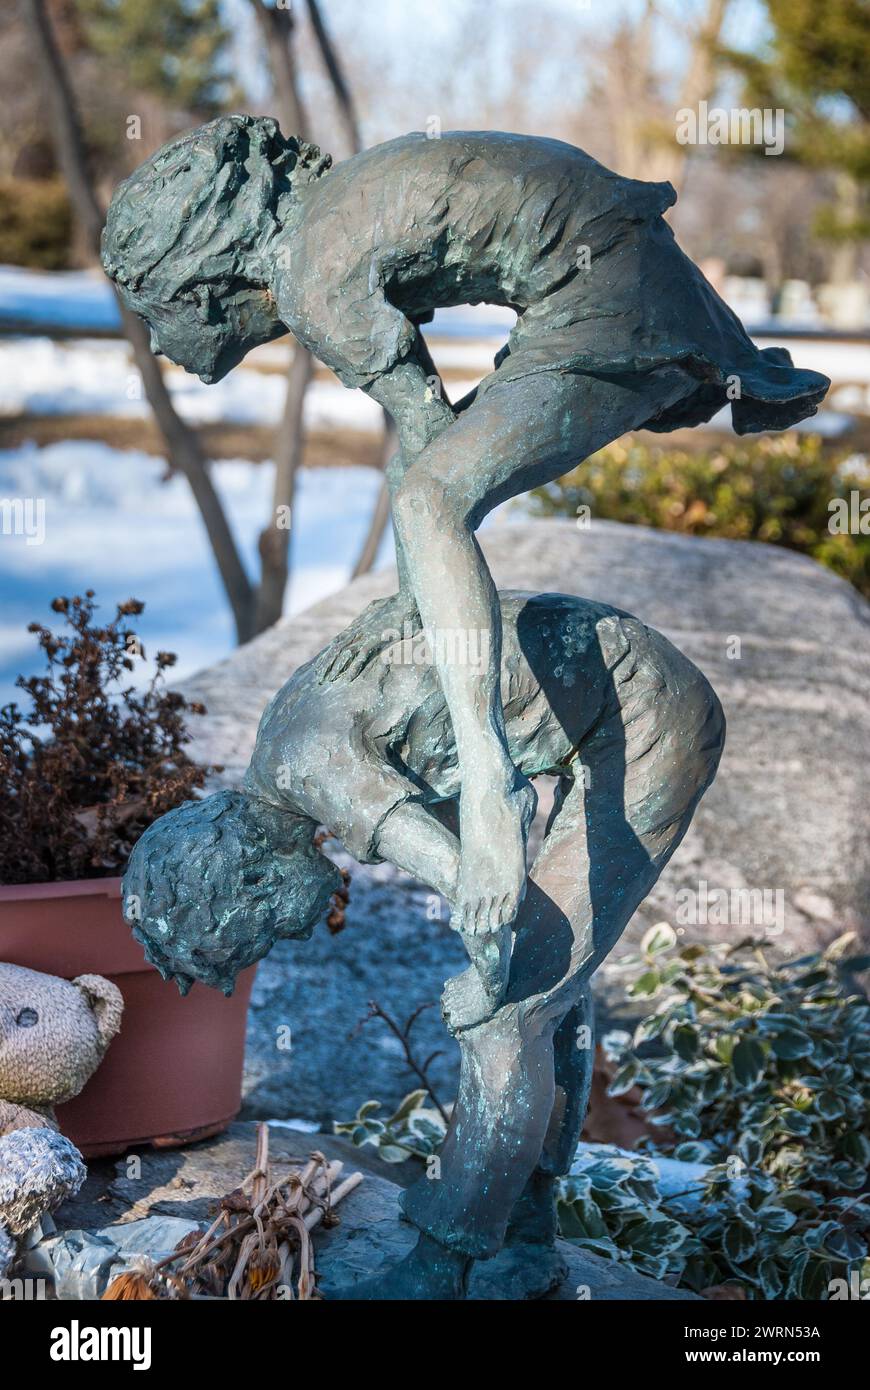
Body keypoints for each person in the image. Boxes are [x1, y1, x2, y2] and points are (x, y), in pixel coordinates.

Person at [102, 114, 826, 946]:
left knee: (429, 504)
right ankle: (474, 727)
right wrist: (411, 623)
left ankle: (492, 785)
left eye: (157, 316)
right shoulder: (330, 228)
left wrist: (459, 748)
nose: (161, 344)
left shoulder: (310, 278)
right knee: (433, 494)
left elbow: (425, 456)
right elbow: (427, 443)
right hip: (611, 278)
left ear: (201, 281)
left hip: (606, 299)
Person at [123, 590, 725, 1298]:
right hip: (603, 693)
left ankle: (440, 1268)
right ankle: (528, 1238)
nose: (297, 932)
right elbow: (473, 819)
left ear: (248, 876)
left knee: (509, 1011)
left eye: (270, 931)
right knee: (545, 979)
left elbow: (479, 891)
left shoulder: (317, 772)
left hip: (648, 720)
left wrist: (489, 968)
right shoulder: (284, 748)